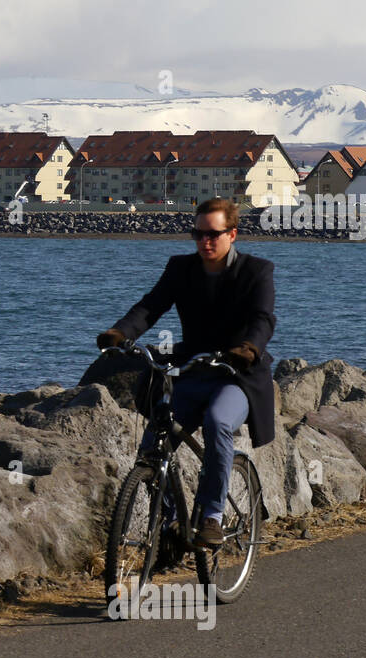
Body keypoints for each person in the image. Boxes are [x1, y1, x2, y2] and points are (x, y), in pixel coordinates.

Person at [96, 198, 276, 548]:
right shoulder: (181, 268)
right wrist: (121, 333)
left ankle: (211, 517)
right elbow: (151, 306)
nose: (205, 241)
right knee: (153, 444)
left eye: (213, 234)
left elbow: (263, 318)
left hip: (237, 374)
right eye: (198, 234)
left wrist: (249, 348)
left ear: (233, 234)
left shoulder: (257, 270)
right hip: (194, 369)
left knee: (218, 422)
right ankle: (171, 523)